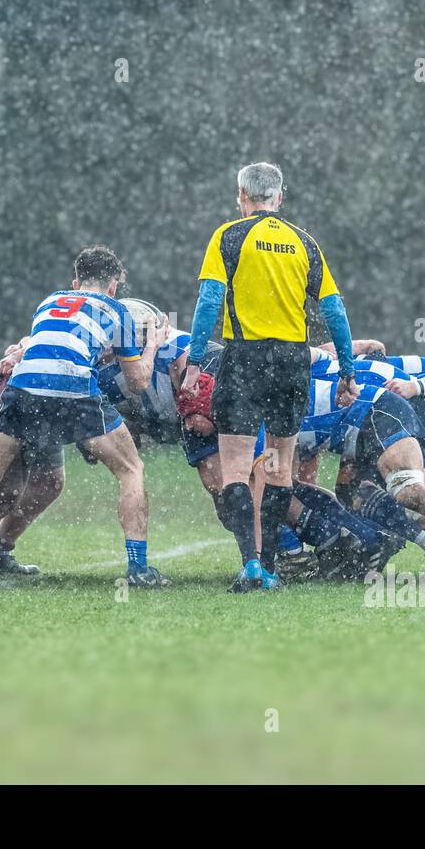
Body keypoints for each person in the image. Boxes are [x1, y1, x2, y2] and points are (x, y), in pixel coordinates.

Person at [0, 245, 170, 587]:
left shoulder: (49, 301)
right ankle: (138, 569)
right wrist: (153, 344)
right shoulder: (117, 309)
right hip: (73, 388)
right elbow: (137, 382)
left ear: (75, 281)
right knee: (131, 469)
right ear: (113, 286)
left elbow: (60, 342)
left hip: (24, 386)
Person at [182, 161, 357, 593]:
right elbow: (334, 310)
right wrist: (347, 372)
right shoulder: (305, 242)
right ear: (279, 198)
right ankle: (274, 569)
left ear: (243, 196)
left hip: (244, 358)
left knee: (237, 469)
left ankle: (252, 565)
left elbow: (209, 301)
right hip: (293, 361)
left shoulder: (229, 235)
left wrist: (194, 360)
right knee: (280, 469)